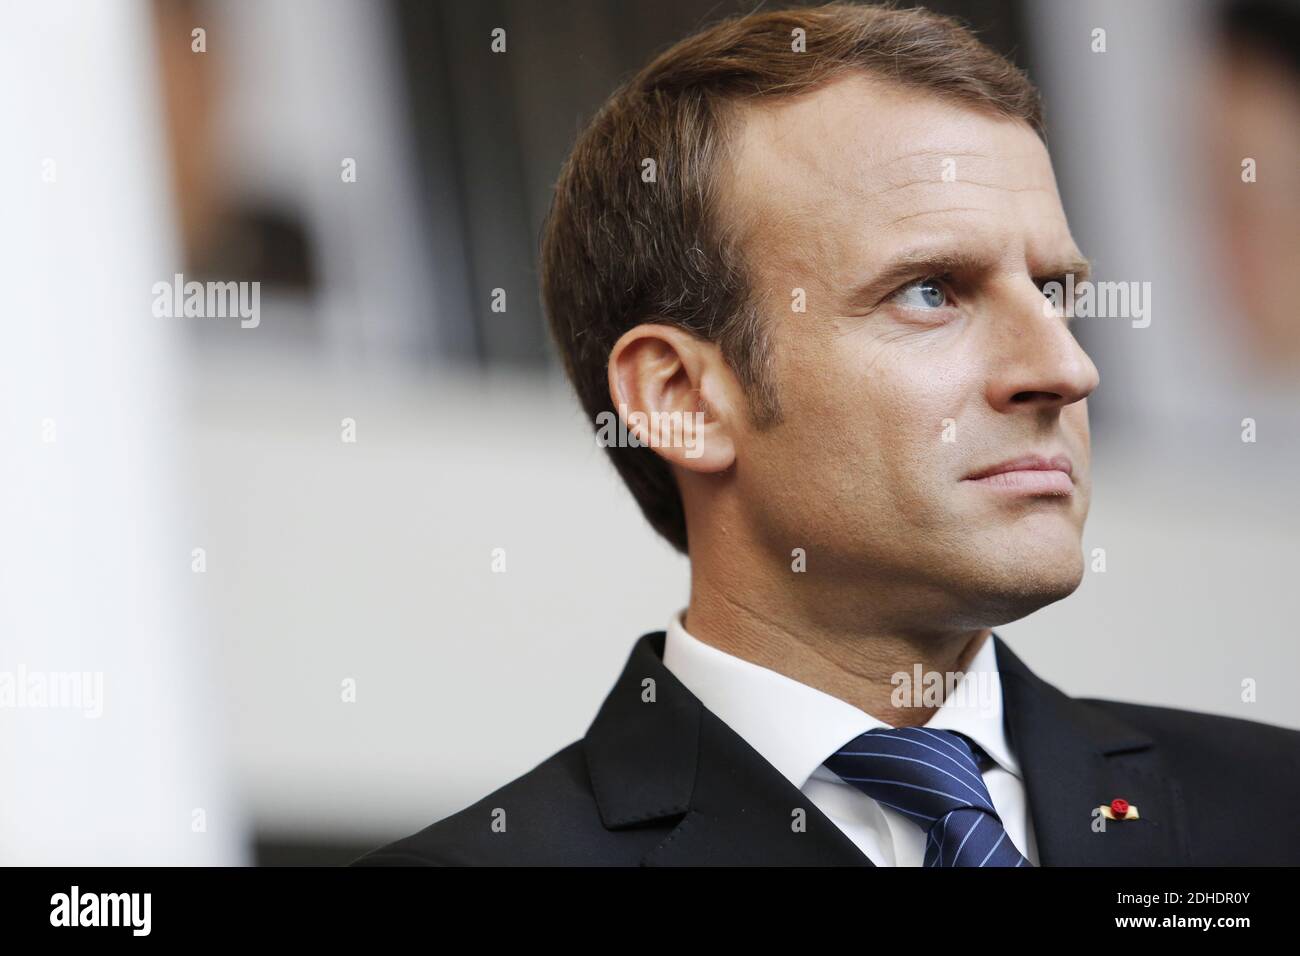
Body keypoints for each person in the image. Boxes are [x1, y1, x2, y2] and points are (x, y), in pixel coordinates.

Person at [354, 2, 1300, 866]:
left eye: (1052, 292)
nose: (1065, 370)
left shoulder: (1271, 809)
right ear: (680, 395)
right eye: (931, 291)